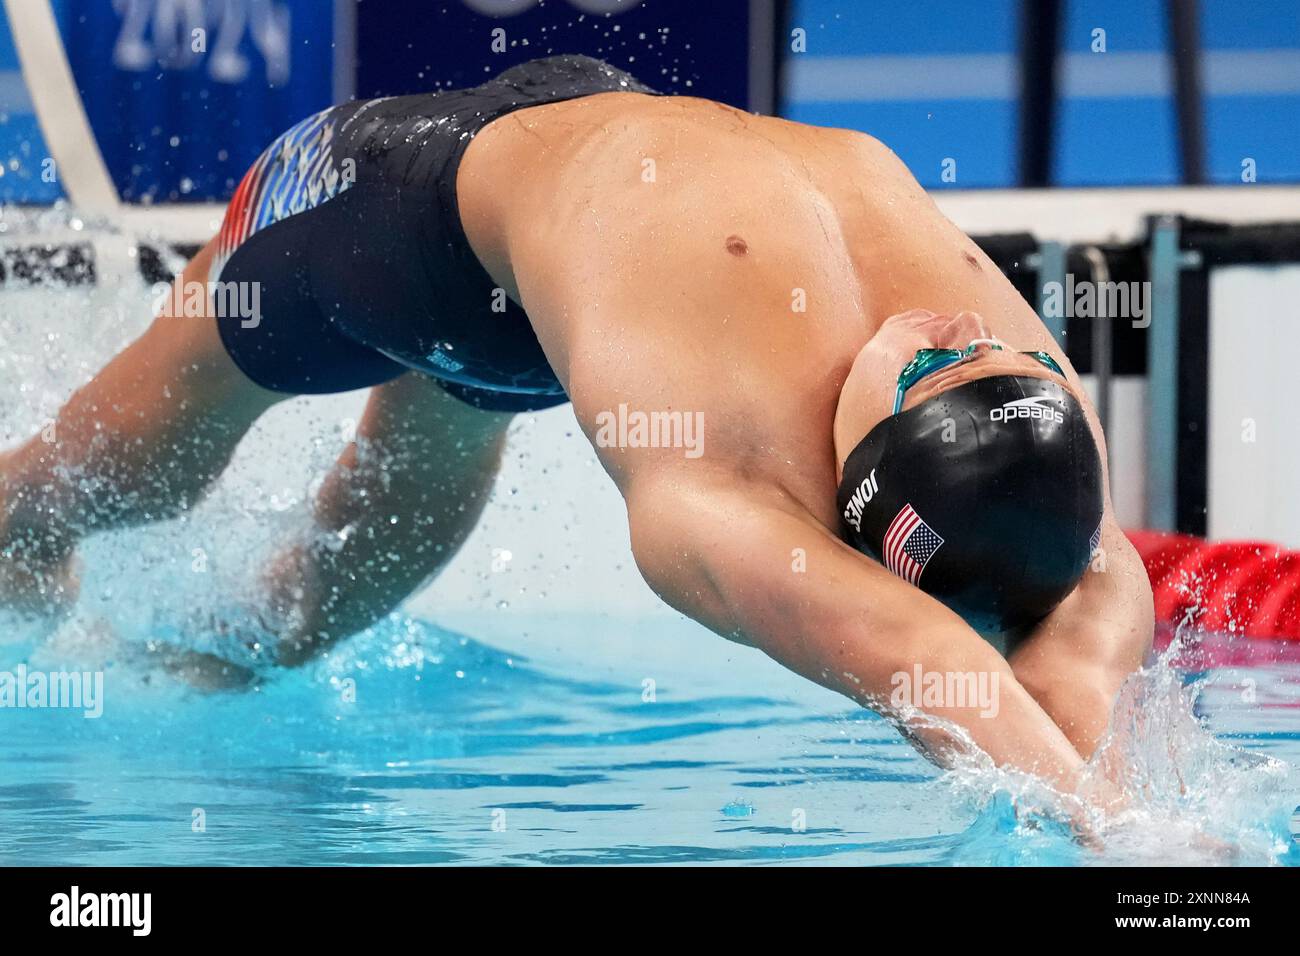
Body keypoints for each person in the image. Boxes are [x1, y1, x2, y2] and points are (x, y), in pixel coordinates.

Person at [0, 56, 1152, 814]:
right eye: (1004, 355)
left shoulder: (718, 487)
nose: (951, 322)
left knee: (311, 604)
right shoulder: (1037, 426)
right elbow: (1089, 601)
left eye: (937, 361)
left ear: (868, 479)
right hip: (447, 190)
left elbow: (925, 659)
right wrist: (1130, 818)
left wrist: (1109, 842)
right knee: (86, 484)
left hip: (459, 244)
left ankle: (154, 670)